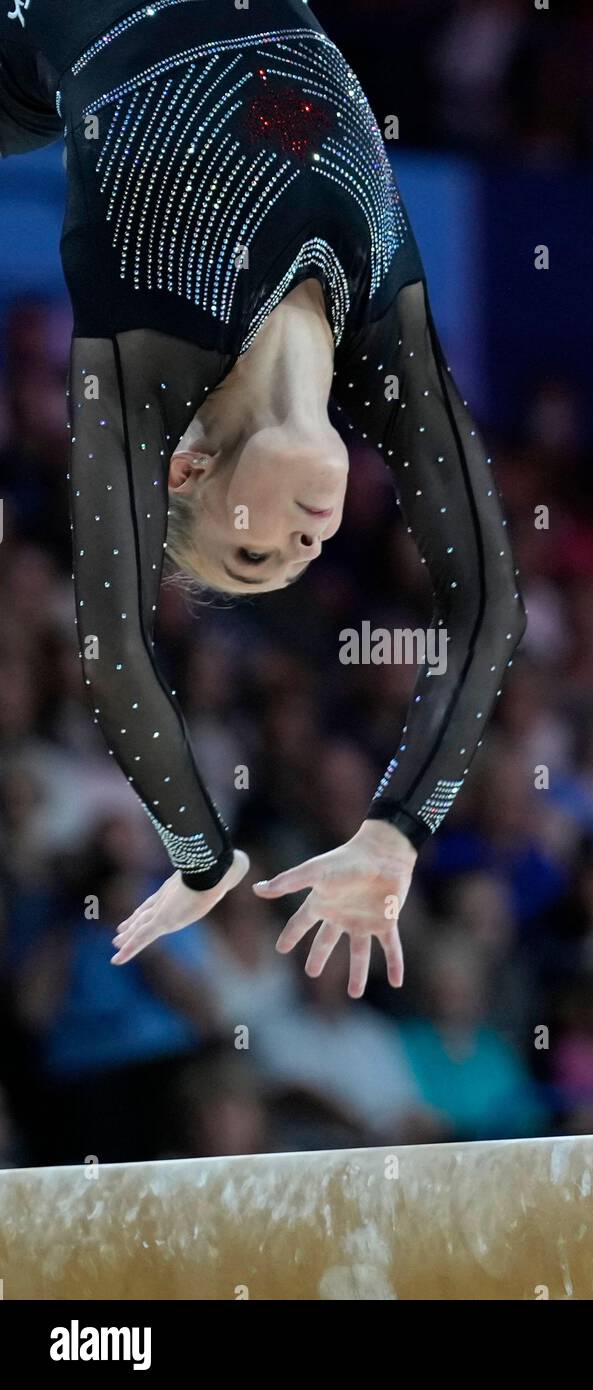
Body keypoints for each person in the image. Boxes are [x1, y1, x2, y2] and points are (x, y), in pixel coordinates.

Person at [1, 0, 526, 996]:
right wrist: (395, 831)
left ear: (184, 471)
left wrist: (203, 856)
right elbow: (489, 605)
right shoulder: (383, 346)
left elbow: (114, 650)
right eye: (297, 564)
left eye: (255, 552)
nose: (305, 549)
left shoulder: (145, 349)